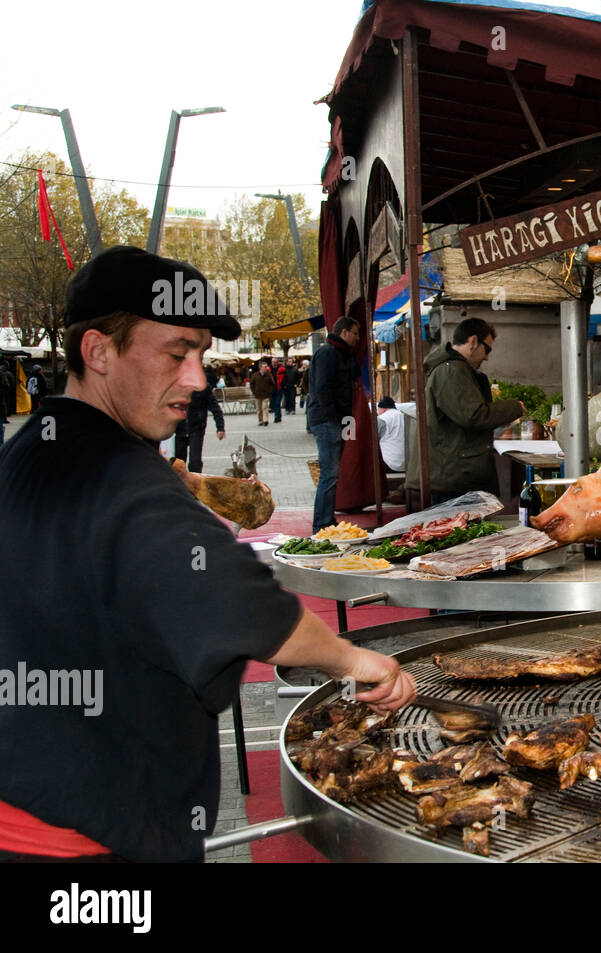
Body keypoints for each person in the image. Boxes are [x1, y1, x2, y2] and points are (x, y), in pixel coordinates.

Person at [0, 245, 414, 862]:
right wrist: (353, 660)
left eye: (200, 354)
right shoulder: (122, 477)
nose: (197, 379)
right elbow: (242, 606)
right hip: (85, 840)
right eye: (176, 353)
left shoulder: (34, 446)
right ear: (97, 351)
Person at [425, 317, 524, 502]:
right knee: (460, 528)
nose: (486, 357)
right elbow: (473, 415)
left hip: (458, 473)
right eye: (487, 349)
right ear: (472, 342)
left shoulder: (453, 368)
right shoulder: (451, 370)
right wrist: (514, 407)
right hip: (456, 478)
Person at [306, 317, 360, 533]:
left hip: (339, 418)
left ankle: (326, 519)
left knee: (332, 471)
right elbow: (322, 388)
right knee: (329, 472)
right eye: (355, 333)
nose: (357, 338)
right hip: (329, 420)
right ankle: (321, 523)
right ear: (344, 332)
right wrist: (333, 418)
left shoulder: (341, 354)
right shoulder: (328, 353)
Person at [174, 368, 226, 473]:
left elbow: (215, 408)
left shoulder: (204, 388)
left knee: (195, 461)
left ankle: (196, 485)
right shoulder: (177, 388)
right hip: (180, 428)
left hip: (197, 428)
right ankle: (180, 486)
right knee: (179, 462)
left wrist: (220, 428)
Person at [376, 395, 416, 473]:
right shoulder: (405, 417)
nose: (378, 413)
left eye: (378, 410)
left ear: (383, 410)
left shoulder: (382, 419)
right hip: (408, 465)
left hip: (390, 465)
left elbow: (371, 441)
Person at [250, 359, 275, 426]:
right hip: (257, 394)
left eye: (266, 367)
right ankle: (260, 420)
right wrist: (254, 391)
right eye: (265, 367)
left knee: (265, 408)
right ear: (260, 367)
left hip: (265, 395)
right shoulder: (255, 375)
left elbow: (272, 384)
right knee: (259, 409)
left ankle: (265, 420)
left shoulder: (269, 375)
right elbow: (251, 384)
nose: (266, 368)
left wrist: (270, 391)